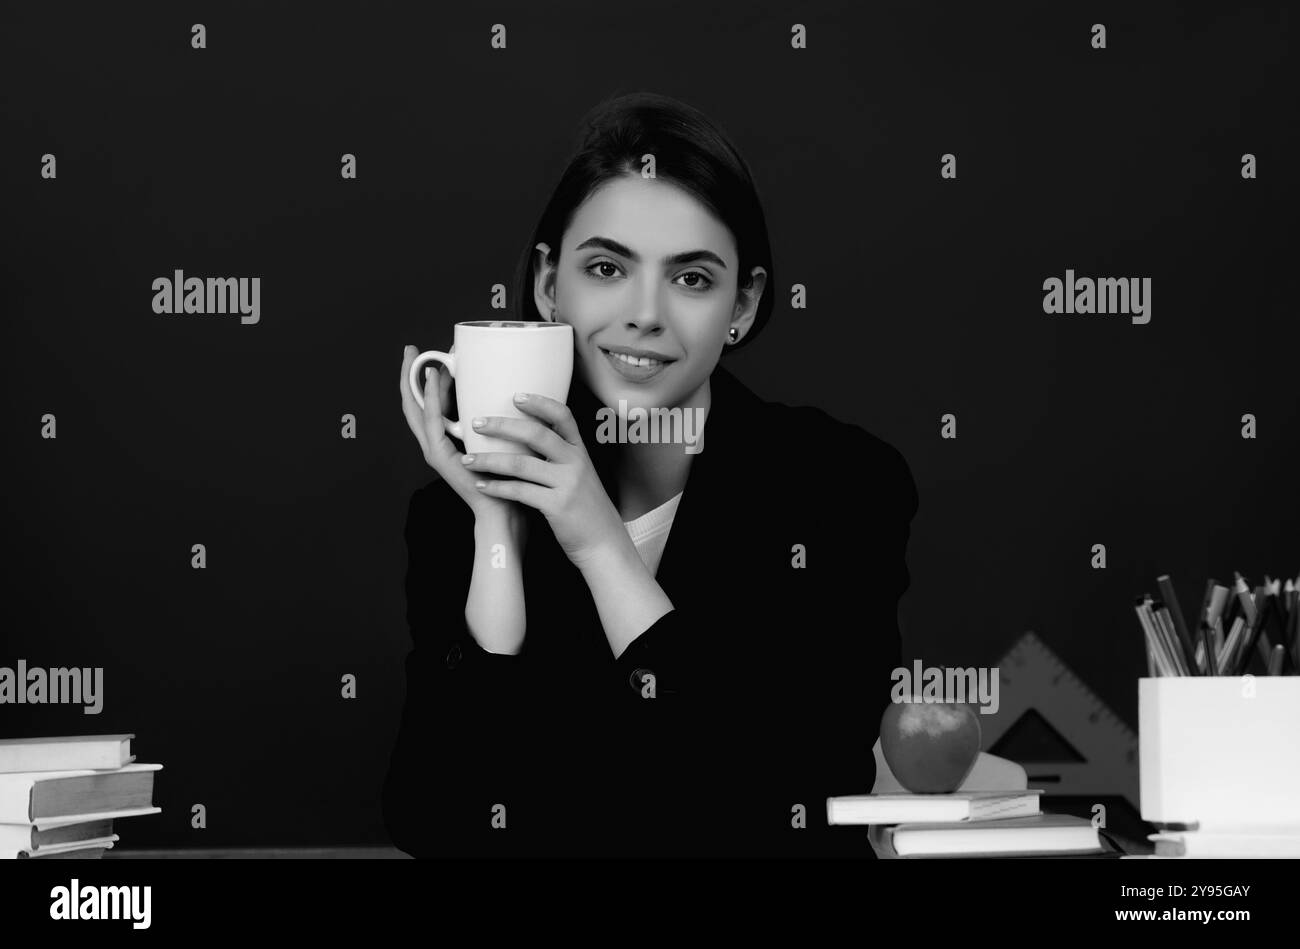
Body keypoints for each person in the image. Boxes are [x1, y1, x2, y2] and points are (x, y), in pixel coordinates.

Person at [383, 91, 918, 858]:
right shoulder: (456, 515)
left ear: (745, 301)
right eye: (605, 267)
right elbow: (433, 814)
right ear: (547, 284)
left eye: (692, 279)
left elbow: (784, 801)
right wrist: (497, 531)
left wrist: (602, 548)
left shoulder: (841, 487)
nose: (645, 314)